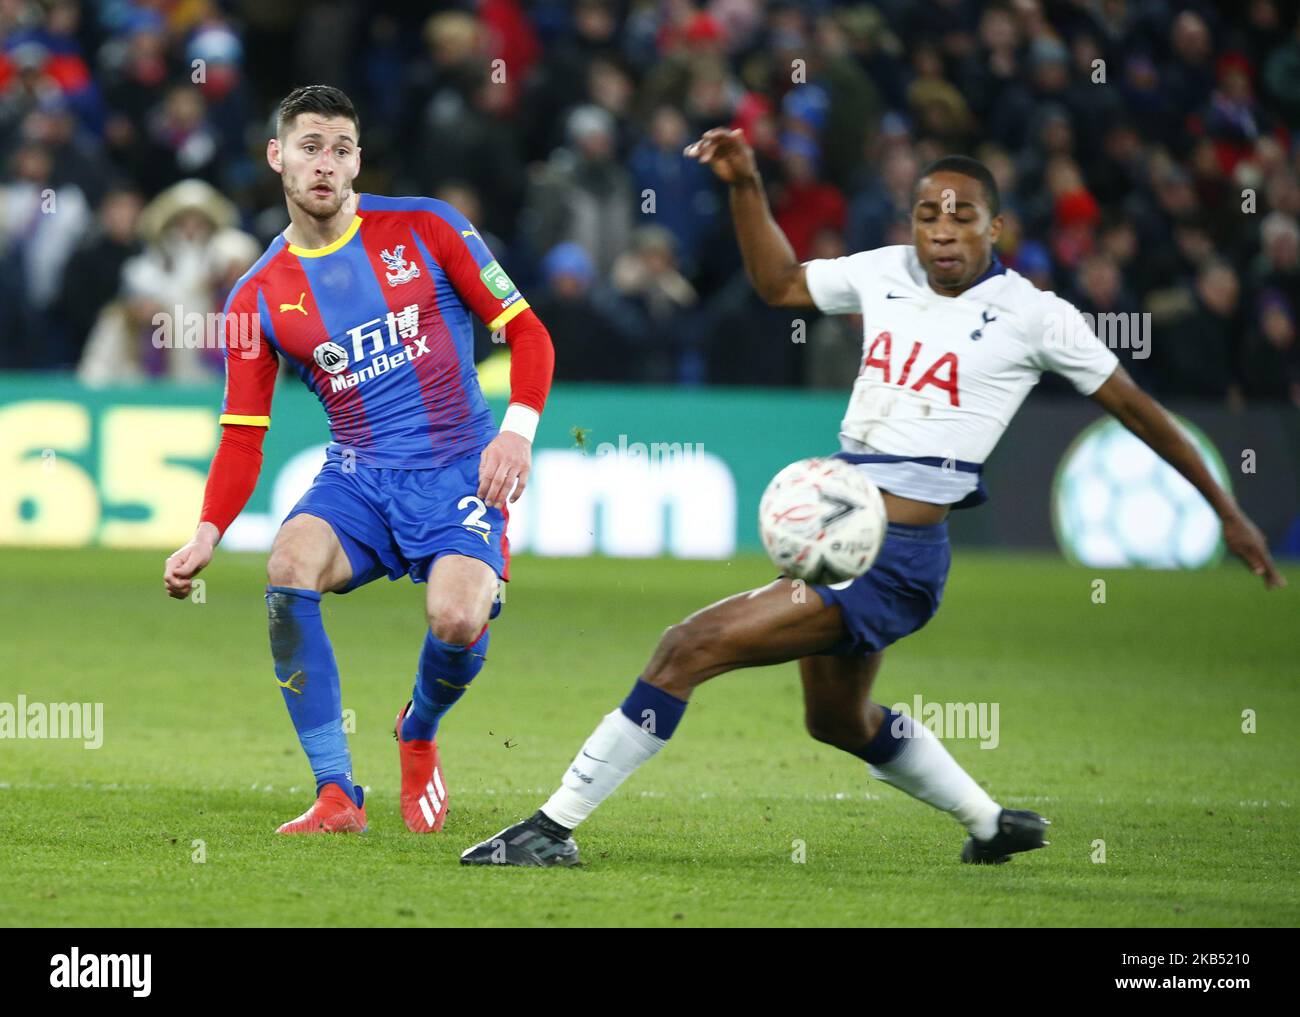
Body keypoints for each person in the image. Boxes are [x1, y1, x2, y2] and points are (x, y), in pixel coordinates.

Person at [461, 128, 1283, 869]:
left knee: (685, 648)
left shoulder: (1037, 317)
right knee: (837, 720)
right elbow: (780, 283)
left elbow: (1142, 413)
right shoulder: (886, 273)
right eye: (927, 214)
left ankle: (551, 829)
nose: (941, 230)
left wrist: (1227, 510)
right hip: (845, 536)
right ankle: (991, 824)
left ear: (995, 229)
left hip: (896, 557)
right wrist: (747, 184)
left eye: (962, 217)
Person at [162, 85, 554, 836]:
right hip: (360, 475)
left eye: (341, 149)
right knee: (286, 565)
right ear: (277, 157)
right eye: (309, 146)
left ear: (357, 161)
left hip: (460, 467)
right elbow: (244, 433)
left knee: (457, 616)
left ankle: (418, 727)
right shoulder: (257, 297)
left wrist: (518, 432)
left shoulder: (427, 228)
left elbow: (530, 334)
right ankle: (336, 792)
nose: (326, 164)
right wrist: (207, 531)